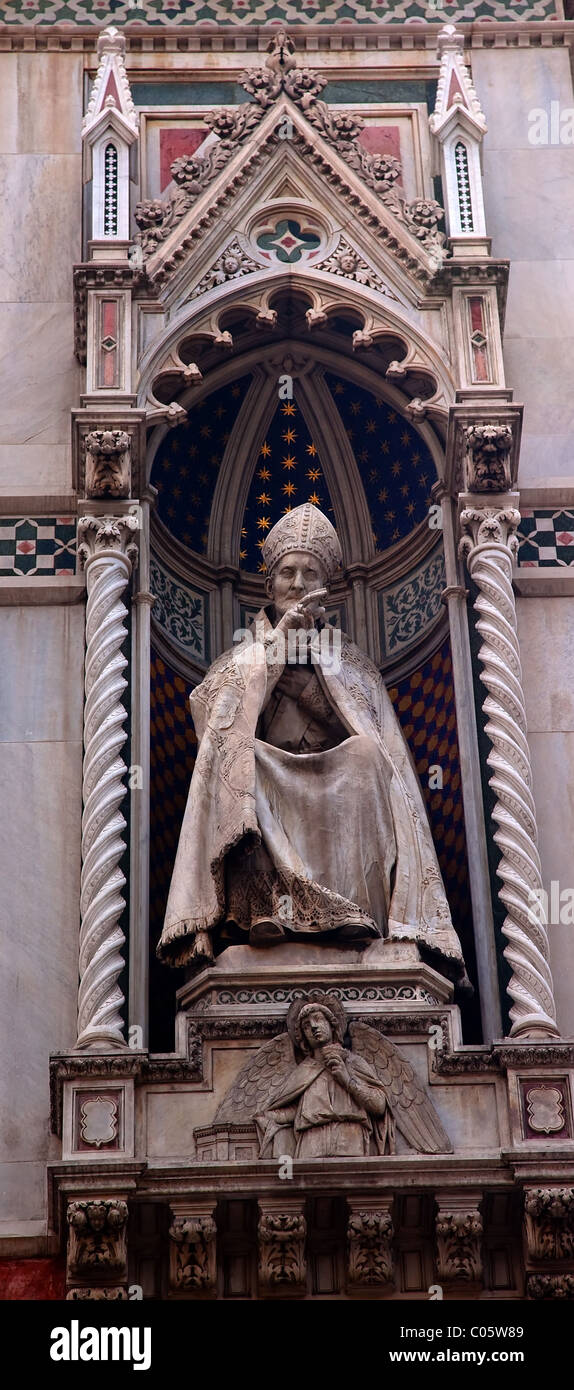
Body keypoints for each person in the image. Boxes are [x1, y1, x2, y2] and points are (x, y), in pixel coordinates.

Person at [158, 503, 467, 989]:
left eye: (309, 573)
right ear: (268, 585)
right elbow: (214, 727)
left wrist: (311, 688)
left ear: (328, 588)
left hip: (333, 780)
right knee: (243, 762)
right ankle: (264, 911)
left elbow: (385, 751)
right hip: (269, 772)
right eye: (287, 573)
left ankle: (354, 913)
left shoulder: (352, 663)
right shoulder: (242, 656)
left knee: (366, 756)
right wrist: (277, 652)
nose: (298, 584)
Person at [254, 995, 393, 1160]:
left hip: (349, 1137)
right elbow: (299, 1111)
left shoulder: (353, 1062)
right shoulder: (303, 1071)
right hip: (310, 1142)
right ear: (303, 1037)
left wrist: (347, 1081)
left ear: (331, 1025)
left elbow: (379, 1106)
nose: (313, 1027)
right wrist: (272, 1116)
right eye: (306, 1026)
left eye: (318, 1019)